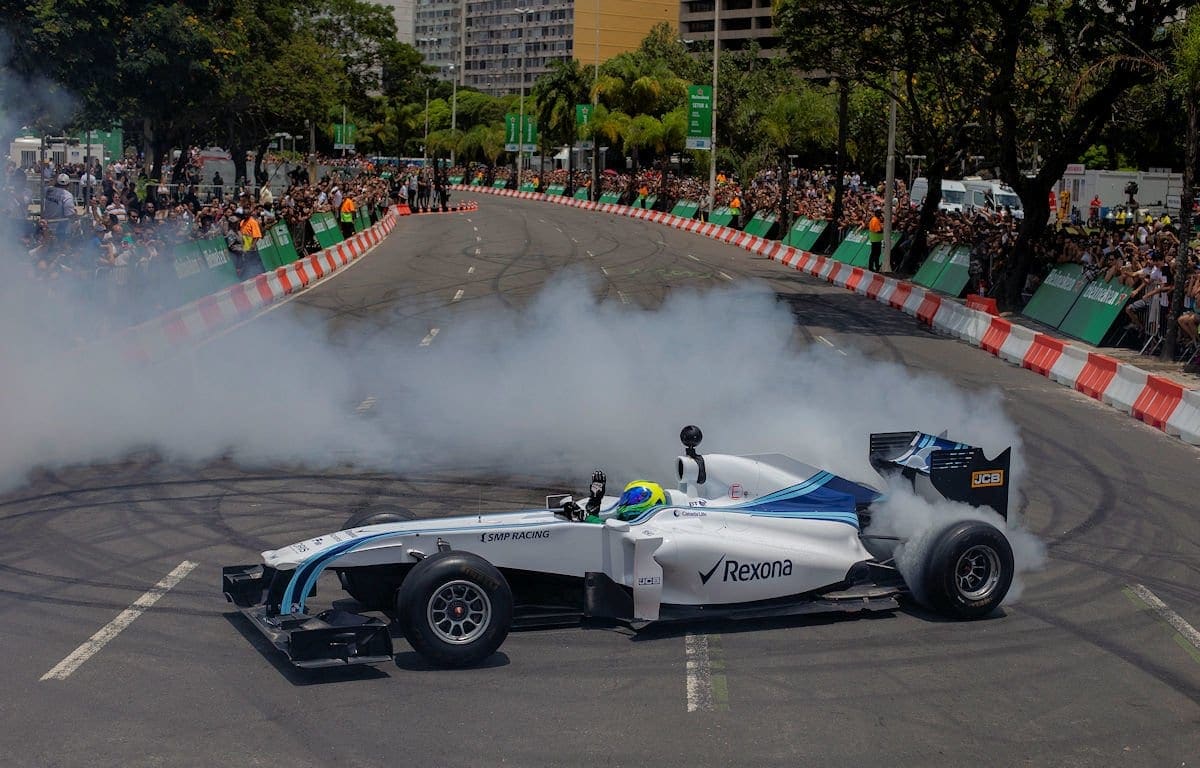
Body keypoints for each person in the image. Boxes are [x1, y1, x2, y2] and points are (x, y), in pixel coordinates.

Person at [867, 206, 884, 272]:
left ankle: (875, 266)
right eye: (879, 213)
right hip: (876, 240)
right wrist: (884, 230)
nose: (880, 214)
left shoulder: (875, 219)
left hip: (875, 240)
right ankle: (873, 267)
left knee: (874, 254)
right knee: (876, 254)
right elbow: (877, 230)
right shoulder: (875, 220)